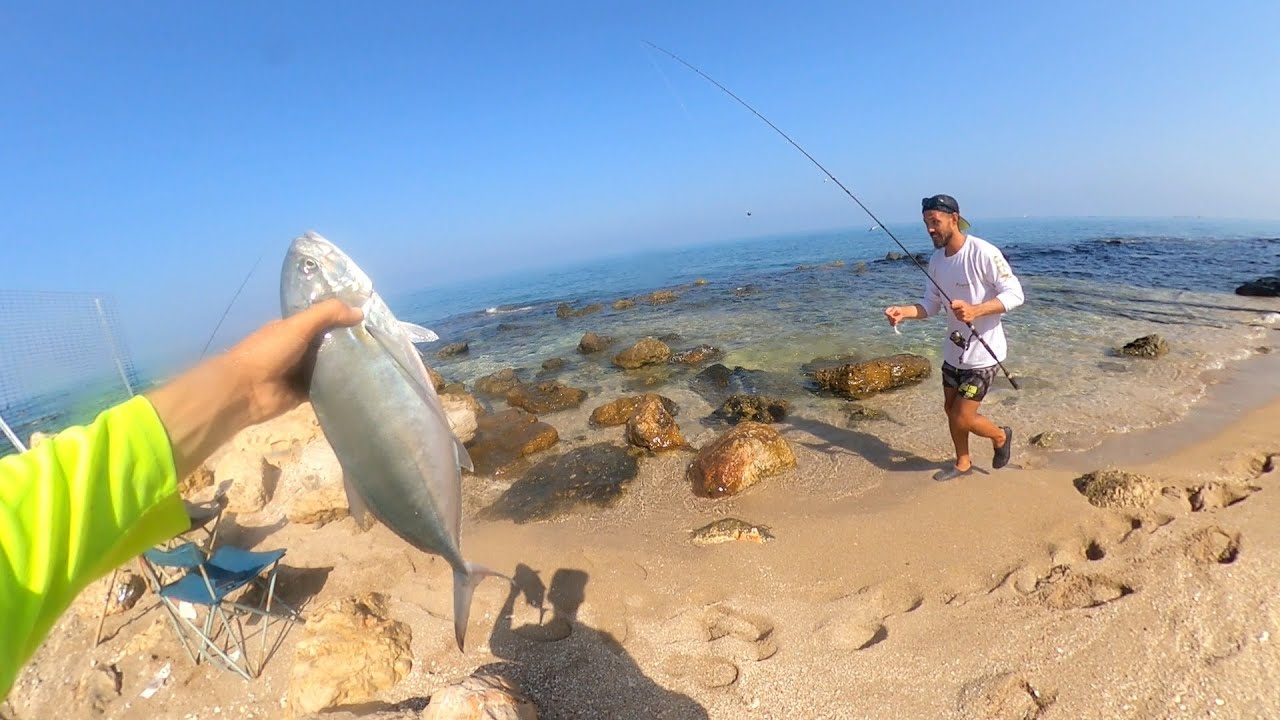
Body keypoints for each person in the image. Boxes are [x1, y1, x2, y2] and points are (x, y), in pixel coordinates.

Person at [0, 298, 364, 699]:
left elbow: (41, 514)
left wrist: (247, 389)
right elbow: (49, 506)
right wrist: (243, 386)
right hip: (211, 569)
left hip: (185, 587)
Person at [883, 194, 1025, 481]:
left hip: (984, 355)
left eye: (935, 221)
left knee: (963, 416)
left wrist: (976, 310)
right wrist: (903, 312)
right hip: (953, 352)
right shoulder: (936, 260)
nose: (930, 229)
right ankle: (963, 462)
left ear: (954, 218)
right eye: (926, 223)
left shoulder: (983, 252)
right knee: (951, 410)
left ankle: (1000, 436)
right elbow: (931, 304)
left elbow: (1015, 294)